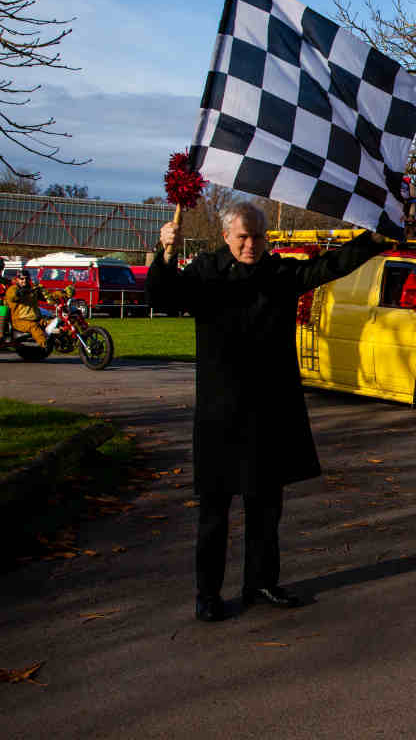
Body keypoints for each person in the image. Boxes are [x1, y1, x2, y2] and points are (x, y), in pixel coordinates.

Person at [148, 203, 390, 622]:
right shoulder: (206, 273)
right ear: (226, 235)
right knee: (214, 512)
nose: (251, 244)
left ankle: (261, 582)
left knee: (265, 507)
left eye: (258, 236)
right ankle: (207, 594)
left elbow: (327, 267)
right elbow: (163, 296)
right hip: (220, 413)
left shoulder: (277, 274)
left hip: (269, 411)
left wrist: (372, 241)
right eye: (243, 236)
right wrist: (164, 254)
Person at [3, 271, 70, 347]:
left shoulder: (32, 290)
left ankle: (65, 342)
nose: (24, 281)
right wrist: (23, 292)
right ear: (17, 279)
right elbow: (12, 296)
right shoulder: (13, 289)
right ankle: (45, 344)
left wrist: (63, 293)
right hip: (20, 321)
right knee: (34, 327)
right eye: (22, 279)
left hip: (36, 319)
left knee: (55, 322)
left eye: (26, 278)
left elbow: (48, 297)